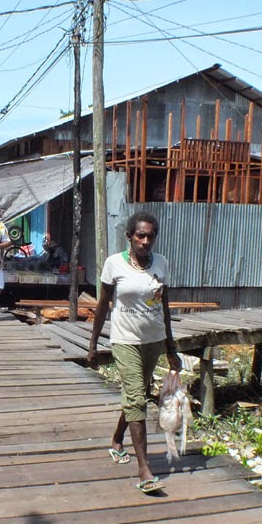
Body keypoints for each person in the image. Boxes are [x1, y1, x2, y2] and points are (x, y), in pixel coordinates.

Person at [87, 211, 182, 495]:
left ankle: (117, 440)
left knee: (134, 395)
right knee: (138, 397)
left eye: (150, 236)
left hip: (153, 340)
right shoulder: (114, 264)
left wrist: (171, 347)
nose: (145, 241)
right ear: (129, 236)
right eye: (140, 235)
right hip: (125, 340)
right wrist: (93, 344)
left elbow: (163, 306)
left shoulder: (161, 264)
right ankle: (144, 469)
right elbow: (103, 305)